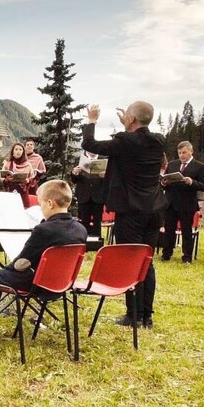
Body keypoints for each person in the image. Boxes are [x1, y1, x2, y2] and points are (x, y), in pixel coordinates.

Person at [0, 180, 88, 340]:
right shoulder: (81, 229)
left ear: (50, 203)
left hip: (37, 284)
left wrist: (6, 269)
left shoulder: (44, 229)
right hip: (62, 283)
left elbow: (21, 264)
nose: (41, 208)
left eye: (41, 203)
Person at [82, 101, 166, 328]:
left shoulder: (125, 141)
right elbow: (136, 139)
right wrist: (128, 124)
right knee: (147, 262)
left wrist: (92, 120)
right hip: (154, 209)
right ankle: (146, 315)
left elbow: (89, 143)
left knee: (131, 261)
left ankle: (134, 315)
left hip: (130, 211)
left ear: (132, 119)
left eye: (127, 114)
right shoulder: (159, 140)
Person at [160, 140, 204, 262]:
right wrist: (163, 183)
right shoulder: (172, 164)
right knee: (169, 229)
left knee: (186, 231)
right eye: (179, 153)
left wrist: (192, 182)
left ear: (191, 152)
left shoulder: (200, 166)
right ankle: (166, 254)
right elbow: (164, 183)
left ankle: (187, 256)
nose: (181, 155)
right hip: (170, 202)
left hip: (187, 204)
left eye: (184, 152)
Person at [70, 153, 105, 238]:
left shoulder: (103, 159)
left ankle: (97, 241)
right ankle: (83, 240)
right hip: (83, 195)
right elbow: (74, 180)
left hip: (98, 195)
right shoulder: (79, 159)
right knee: (83, 220)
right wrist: (75, 172)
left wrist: (105, 176)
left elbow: (109, 179)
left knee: (97, 221)